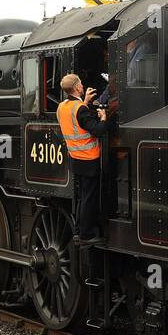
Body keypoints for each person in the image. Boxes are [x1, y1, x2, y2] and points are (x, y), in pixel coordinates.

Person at [56, 72, 109, 241]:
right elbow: (97, 130)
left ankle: (78, 229)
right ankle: (86, 233)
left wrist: (85, 102)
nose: (83, 86)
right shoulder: (80, 110)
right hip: (88, 158)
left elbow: (76, 121)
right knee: (89, 197)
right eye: (81, 84)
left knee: (81, 197)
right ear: (77, 87)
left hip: (75, 158)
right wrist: (103, 118)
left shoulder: (62, 107)